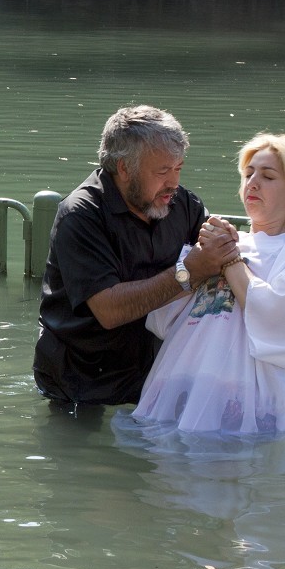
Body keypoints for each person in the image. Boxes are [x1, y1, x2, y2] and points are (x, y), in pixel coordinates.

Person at [130, 133, 285, 435]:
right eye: (248, 174)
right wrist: (195, 262)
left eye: (267, 176)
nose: (252, 183)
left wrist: (229, 260)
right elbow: (162, 319)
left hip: (253, 410)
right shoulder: (214, 241)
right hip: (178, 396)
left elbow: (282, 318)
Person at [34, 105, 236, 407]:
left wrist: (283, 243)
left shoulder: (183, 204)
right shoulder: (80, 215)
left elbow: (215, 250)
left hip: (152, 369)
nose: (174, 183)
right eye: (163, 171)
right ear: (124, 168)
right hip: (78, 378)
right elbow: (109, 310)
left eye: (178, 168)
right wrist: (189, 272)